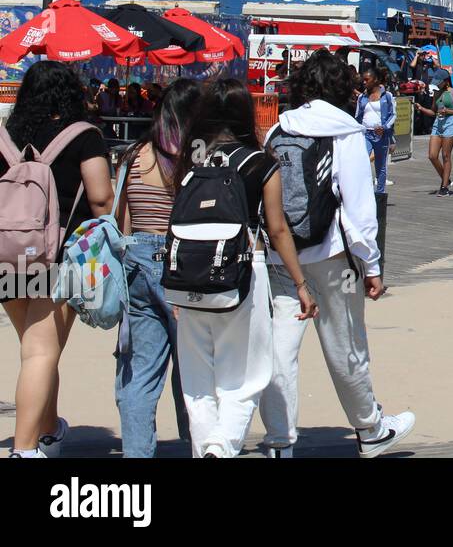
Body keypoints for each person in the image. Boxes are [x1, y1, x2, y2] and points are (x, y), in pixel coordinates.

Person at [258, 51, 415, 458]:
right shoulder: (346, 131)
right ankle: (370, 429)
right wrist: (373, 265)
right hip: (333, 258)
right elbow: (360, 208)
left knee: (279, 353)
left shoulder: (277, 129)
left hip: (282, 257)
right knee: (345, 346)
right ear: (343, 88)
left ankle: (279, 440)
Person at [175, 79, 316, 458]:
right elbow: (278, 228)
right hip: (241, 270)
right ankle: (221, 448)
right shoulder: (260, 163)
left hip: (189, 275)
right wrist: (300, 284)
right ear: (244, 114)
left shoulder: (192, 159)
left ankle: (205, 446)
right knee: (247, 375)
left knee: (197, 379)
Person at [0, 62, 114, 458]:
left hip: (9, 258)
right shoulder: (84, 136)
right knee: (41, 352)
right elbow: (101, 198)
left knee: (34, 348)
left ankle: (48, 431)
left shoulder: (5, 136)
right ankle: (26, 448)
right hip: (57, 259)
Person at [115, 78, 200, 458]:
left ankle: (137, 454)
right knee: (197, 370)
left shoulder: (135, 155)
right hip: (181, 264)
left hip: (136, 262)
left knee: (140, 374)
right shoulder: (194, 160)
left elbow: (123, 223)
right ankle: (200, 445)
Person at [415, 69, 453, 196]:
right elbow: (433, 112)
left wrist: (448, 111)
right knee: (432, 155)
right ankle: (446, 179)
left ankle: (444, 187)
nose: (436, 84)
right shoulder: (437, 93)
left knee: (446, 155)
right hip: (438, 124)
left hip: (451, 123)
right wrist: (421, 108)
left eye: (439, 82)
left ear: (446, 81)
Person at [356, 67, 396, 194]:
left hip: (381, 134)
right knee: (362, 161)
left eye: (367, 79)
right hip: (365, 133)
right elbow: (357, 116)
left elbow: (393, 115)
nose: (364, 82)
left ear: (376, 80)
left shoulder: (387, 96)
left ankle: (379, 195)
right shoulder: (362, 97)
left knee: (381, 166)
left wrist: (384, 128)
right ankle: (364, 192)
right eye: (363, 80)